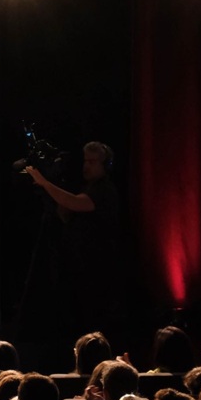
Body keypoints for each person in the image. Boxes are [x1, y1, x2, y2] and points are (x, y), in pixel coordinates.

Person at [25, 141, 120, 331]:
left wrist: (45, 182)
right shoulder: (88, 186)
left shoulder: (104, 189)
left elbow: (77, 203)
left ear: (106, 165)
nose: (86, 166)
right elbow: (67, 213)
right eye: (85, 161)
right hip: (80, 264)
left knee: (94, 318)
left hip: (97, 267)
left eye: (92, 162)